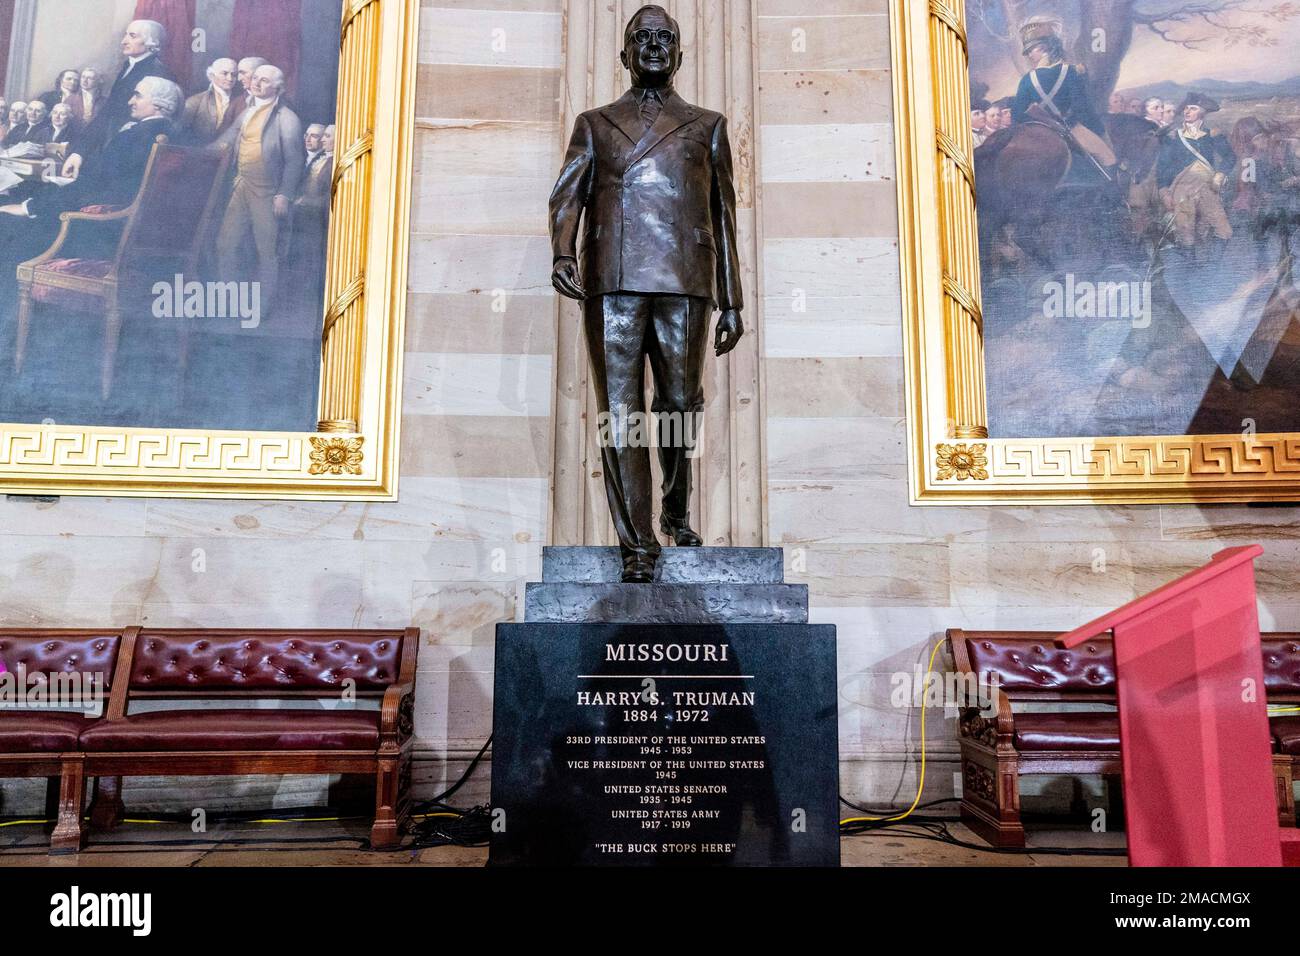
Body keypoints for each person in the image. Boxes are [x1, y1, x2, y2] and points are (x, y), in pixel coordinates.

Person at [549, 4, 744, 581]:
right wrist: (563, 250)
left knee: (679, 406)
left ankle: (675, 509)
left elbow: (725, 215)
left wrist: (732, 299)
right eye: (643, 38)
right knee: (620, 413)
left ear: (680, 55)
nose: (654, 46)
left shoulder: (708, 125)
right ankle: (637, 545)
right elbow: (567, 196)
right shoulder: (595, 122)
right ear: (624, 53)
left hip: (686, 281)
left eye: (665, 38)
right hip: (612, 279)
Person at [215, 63, 305, 310]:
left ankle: (262, 305)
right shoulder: (247, 112)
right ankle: (229, 301)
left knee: (267, 250)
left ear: (279, 88)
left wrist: (284, 194)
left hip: (267, 192)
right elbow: (226, 141)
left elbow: (295, 160)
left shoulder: (287, 119)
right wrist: (196, 155)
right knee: (225, 244)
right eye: (255, 78)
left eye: (264, 80)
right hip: (241, 185)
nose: (256, 83)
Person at [1011, 16, 1116, 173]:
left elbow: (1018, 116)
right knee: (1109, 160)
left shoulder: (1026, 80)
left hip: (1040, 135)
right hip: (1073, 129)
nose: (1029, 55)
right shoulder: (1073, 72)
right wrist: (1100, 131)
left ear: (1044, 48)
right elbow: (1083, 109)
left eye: (1032, 50)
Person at [77, 19, 174, 155]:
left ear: (150, 42)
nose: (124, 41)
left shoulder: (157, 71)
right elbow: (109, 110)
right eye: (126, 35)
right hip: (109, 140)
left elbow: (152, 120)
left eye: (132, 36)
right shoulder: (127, 66)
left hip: (131, 146)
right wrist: (79, 152)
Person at [1156, 92, 1237, 250]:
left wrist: (1220, 174)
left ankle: (1212, 268)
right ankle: (1191, 269)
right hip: (1182, 189)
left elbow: (1230, 157)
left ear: (1203, 112)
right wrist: (1164, 192)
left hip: (1206, 188)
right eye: (1186, 108)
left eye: (1193, 108)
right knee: (1186, 234)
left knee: (1224, 230)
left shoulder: (1212, 135)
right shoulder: (1173, 137)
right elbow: (1162, 167)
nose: (1187, 111)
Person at [181, 57, 239, 143]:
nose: (230, 79)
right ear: (212, 75)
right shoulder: (195, 101)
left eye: (233, 74)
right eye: (224, 73)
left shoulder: (241, 100)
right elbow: (183, 133)